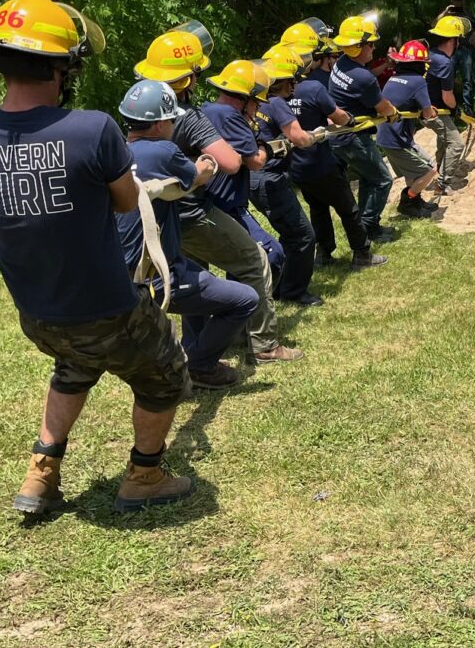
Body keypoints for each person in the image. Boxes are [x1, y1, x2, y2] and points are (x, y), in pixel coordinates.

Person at [0, 0, 196, 516]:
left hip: (38, 313)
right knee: (166, 372)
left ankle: (40, 475)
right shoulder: (93, 128)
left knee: (75, 362)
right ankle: (145, 475)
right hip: (103, 306)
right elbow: (126, 200)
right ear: (61, 66)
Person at [144, 29, 299, 365]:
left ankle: (197, 345)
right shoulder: (191, 117)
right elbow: (231, 163)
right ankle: (265, 345)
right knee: (253, 260)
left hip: (160, 216)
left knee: (194, 278)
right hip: (194, 213)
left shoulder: (140, 107)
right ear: (187, 79)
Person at [116, 78, 258, 392]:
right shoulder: (164, 151)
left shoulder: (118, 155)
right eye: (171, 119)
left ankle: (192, 354)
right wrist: (205, 163)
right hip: (155, 277)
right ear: (157, 125)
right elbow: (200, 175)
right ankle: (199, 366)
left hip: (122, 274)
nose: (173, 125)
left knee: (203, 281)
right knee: (245, 299)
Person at [282, 23, 387, 271]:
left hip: (298, 164)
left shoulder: (279, 94)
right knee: (348, 209)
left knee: (318, 208)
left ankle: (324, 252)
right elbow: (339, 117)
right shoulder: (314, 88)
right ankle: (362, 254)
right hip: (320, 161)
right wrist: (349, 119)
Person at [253, 45, 324, 307]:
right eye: (291, 81)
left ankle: (280, 284)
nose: (294, 86)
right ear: (279, 81)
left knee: (289, 232)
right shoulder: (276, 104)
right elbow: (300, 138)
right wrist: (316, 135)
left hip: (255, 178)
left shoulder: (259, 103)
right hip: (270, 180)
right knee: (304, 236)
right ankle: (294, 292)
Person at [328, 15, 402, 244]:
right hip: (353, 138)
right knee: (382, 179)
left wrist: (386, 65)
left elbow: (367, 78)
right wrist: (393, 113)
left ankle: (364, 222)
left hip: (339, 135)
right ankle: (369, 227)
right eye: (371, 43)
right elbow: (383, 107)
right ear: (358, 47)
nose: (374, 47)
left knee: (369, 178)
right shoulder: (363, 78)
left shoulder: (342, 63)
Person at [378, 39, 441, 218]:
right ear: (419, 64)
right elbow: (428, 114)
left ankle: (415, 202)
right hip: (397, 140)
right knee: (431, 169)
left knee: (413, 171)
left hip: (387, 136)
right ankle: (408, 200)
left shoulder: (393, 77)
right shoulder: (417, 81)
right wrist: (428, 112)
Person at [426, 13, 470, 185]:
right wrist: (455, 108)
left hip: (426, 106)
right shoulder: (445, 63)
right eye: (458, 40)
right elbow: (447, 96)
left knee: (444, 139)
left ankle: (439, 166)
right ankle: (442, 183)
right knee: (457, 144)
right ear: (454, 41)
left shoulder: (430, 55)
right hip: (434, 110)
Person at [441, 0, 475, 112]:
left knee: (467, 80)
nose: (457, 1)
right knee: (448, 79)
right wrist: (445, 11)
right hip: (451, 51)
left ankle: (468, 108)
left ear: (462, 0)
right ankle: (449, 107)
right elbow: (435, 23)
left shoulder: (467, 14)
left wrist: (474, 33)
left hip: (465, 49)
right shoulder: (448, 15)